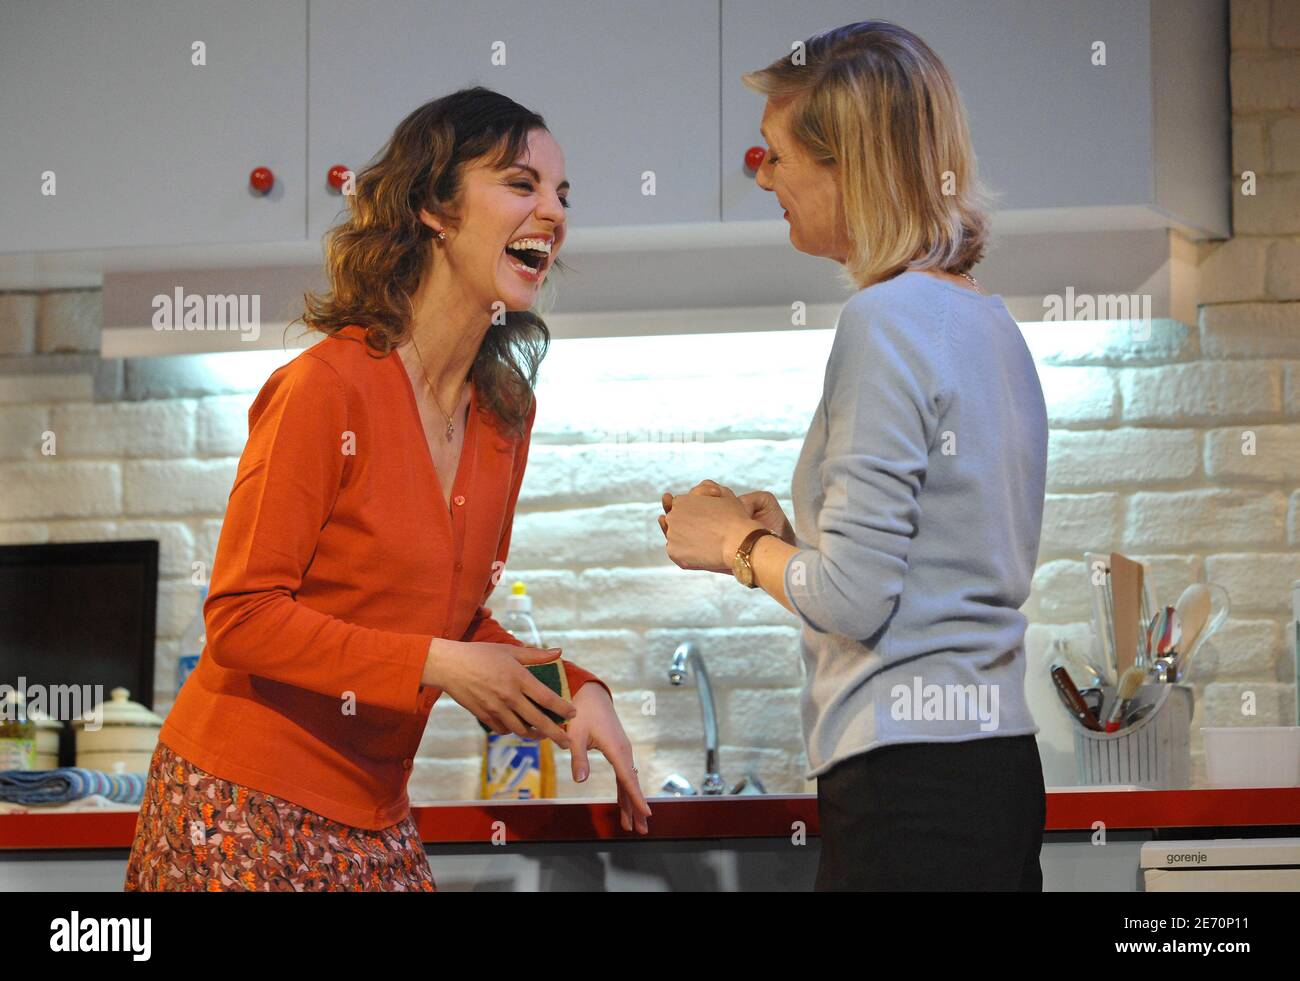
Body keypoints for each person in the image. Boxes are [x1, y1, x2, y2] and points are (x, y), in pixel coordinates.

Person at [125, 87, 651, 892]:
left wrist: (573, 692)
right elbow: (242, 616)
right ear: (433, 208)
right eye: (521, 183)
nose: (553, 211)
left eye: (561, 193)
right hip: (236, 801)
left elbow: (451, 620)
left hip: (374, 811)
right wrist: (442, 663)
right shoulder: (325, 388)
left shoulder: (504, 413)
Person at [660, 21, 1048, 891]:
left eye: (778, 155)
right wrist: (792, 533)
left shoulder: (885, 322)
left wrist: (733, 544)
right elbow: (921, 574)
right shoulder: (987, 322)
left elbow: (856, 599)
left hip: (907, 783)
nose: (763, 177)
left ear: (851, 168)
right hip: (992, 763)